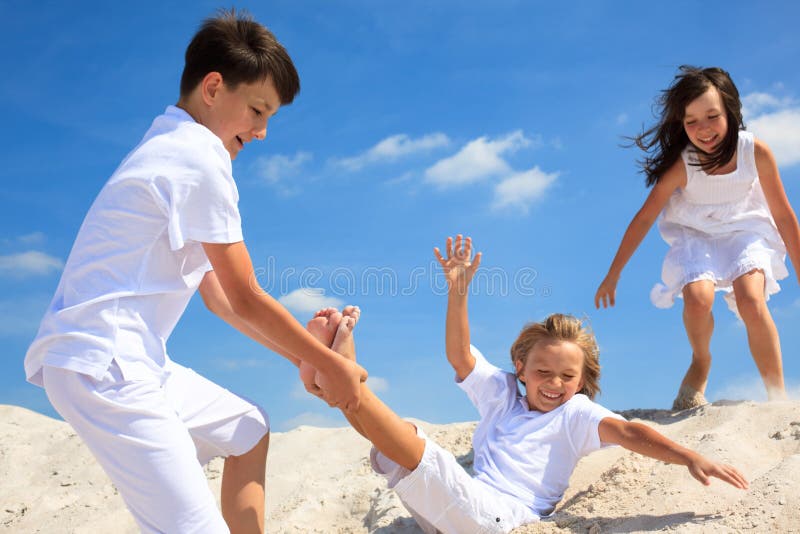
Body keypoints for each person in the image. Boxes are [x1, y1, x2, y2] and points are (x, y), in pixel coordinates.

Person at [23, 9, 366, 534]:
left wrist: (304, 360)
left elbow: (220, 301)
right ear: (212, 87)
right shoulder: (199, 157)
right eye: (257, 110)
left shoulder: (169, 144)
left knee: (248, 429)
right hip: (106, 365)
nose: (262, 132)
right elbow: (245, 294)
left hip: (131, 358)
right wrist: (328, 363)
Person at [302, 235, 747, 534]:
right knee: (391, 449)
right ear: (520, 367)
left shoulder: (577, 414)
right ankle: (340, 377)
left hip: (505, 519)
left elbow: (631, 433)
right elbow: (460, 355)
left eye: (568, 376)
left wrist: (689, 456)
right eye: (543, 372)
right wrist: (458, 289)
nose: (554, 383)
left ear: (582, 380)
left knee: (414, 445)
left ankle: (341, 373)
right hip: (459, 510)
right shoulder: (501, 395)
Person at [595, 66, 800, 409]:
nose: (703, 129)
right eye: (691, 121)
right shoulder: (682, 165)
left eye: (712, 116)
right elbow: (644, 218)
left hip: (744, 229)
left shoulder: (756, 152)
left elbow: (782, 215)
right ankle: (701, 359)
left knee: (751, 300)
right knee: (698, 299)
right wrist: (613, 274)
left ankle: (777, 399)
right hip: (697, 234)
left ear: (731, 112)